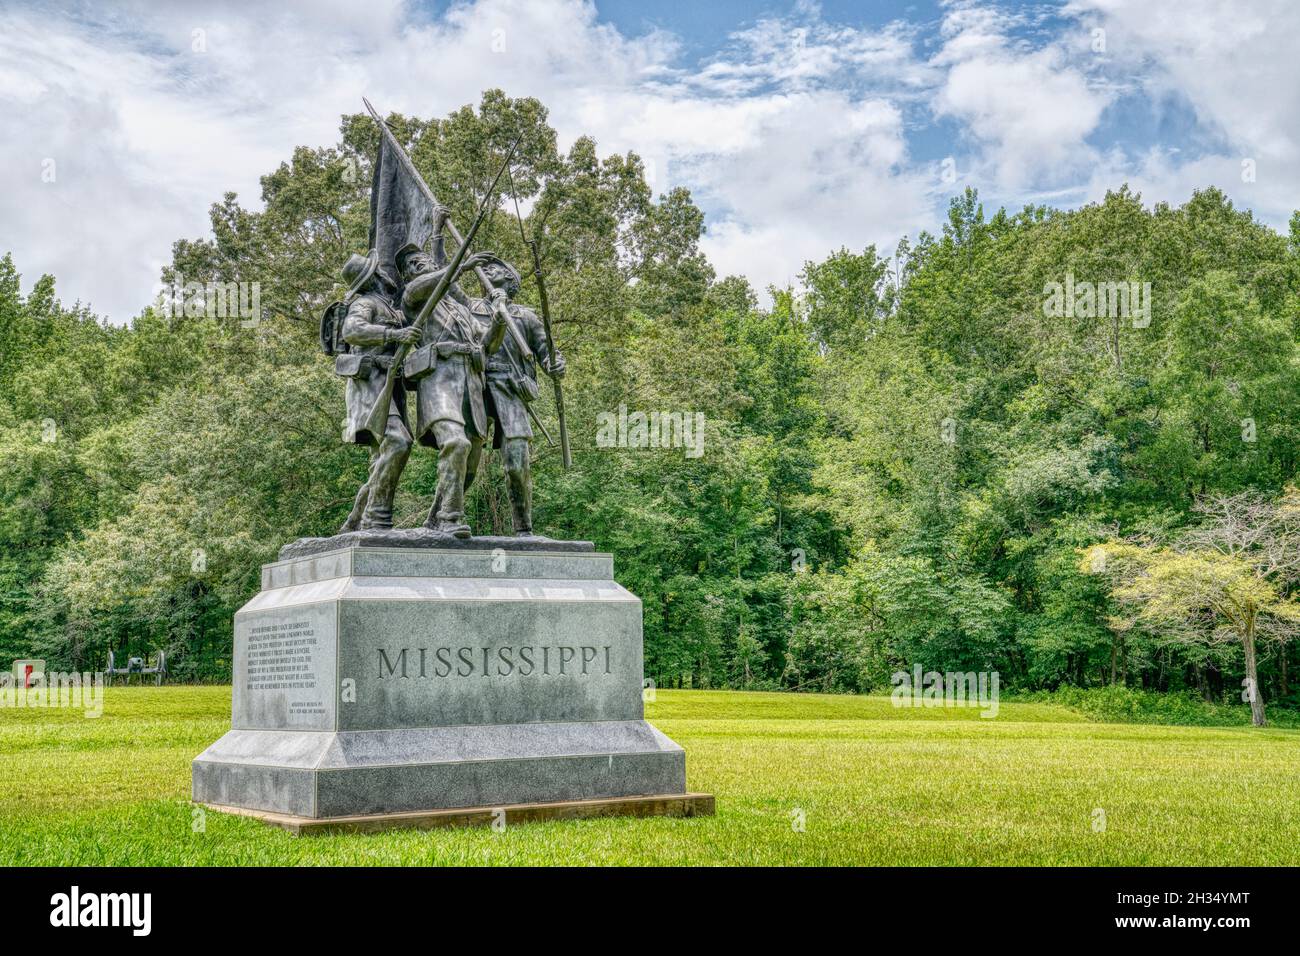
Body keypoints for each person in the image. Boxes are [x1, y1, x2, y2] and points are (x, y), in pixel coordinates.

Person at [468, 255, 565, 536]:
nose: (487, 269)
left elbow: (547, 353)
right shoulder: (470, 307)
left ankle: (524, 528)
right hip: (476, 383)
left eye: (496, 268)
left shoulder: (526, 315)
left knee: (516, 463)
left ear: (511, 279)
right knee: (464, 456)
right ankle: (448, 518)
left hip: (511, 389)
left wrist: (556, 364)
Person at [322, 249, 418, 531]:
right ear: (374, 276)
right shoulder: (364, 303)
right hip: (368, 386)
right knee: (398, 442)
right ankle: (375, 517)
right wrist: (393, 334)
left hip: (388, 386)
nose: (385, 272)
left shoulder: (388, 306)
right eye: (379, 269)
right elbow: (352, 331)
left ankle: (356, 519)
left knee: (382, 459)